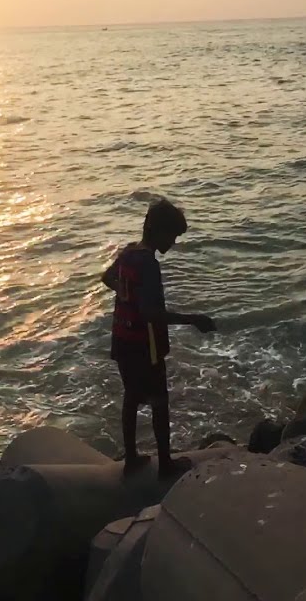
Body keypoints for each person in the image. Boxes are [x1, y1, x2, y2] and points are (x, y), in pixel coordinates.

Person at [101, 198, 215, 478]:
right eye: (172, 236)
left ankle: (131, 459)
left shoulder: (129, 253)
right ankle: (166, 465)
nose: (173, 243)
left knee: (131, 397)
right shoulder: (148, 264)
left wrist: (125, 293)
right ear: (157, 231)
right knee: (159, 402)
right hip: (144, 344)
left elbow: (107, 277)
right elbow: (151, 314)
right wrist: (193, 319)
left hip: (122, 338)